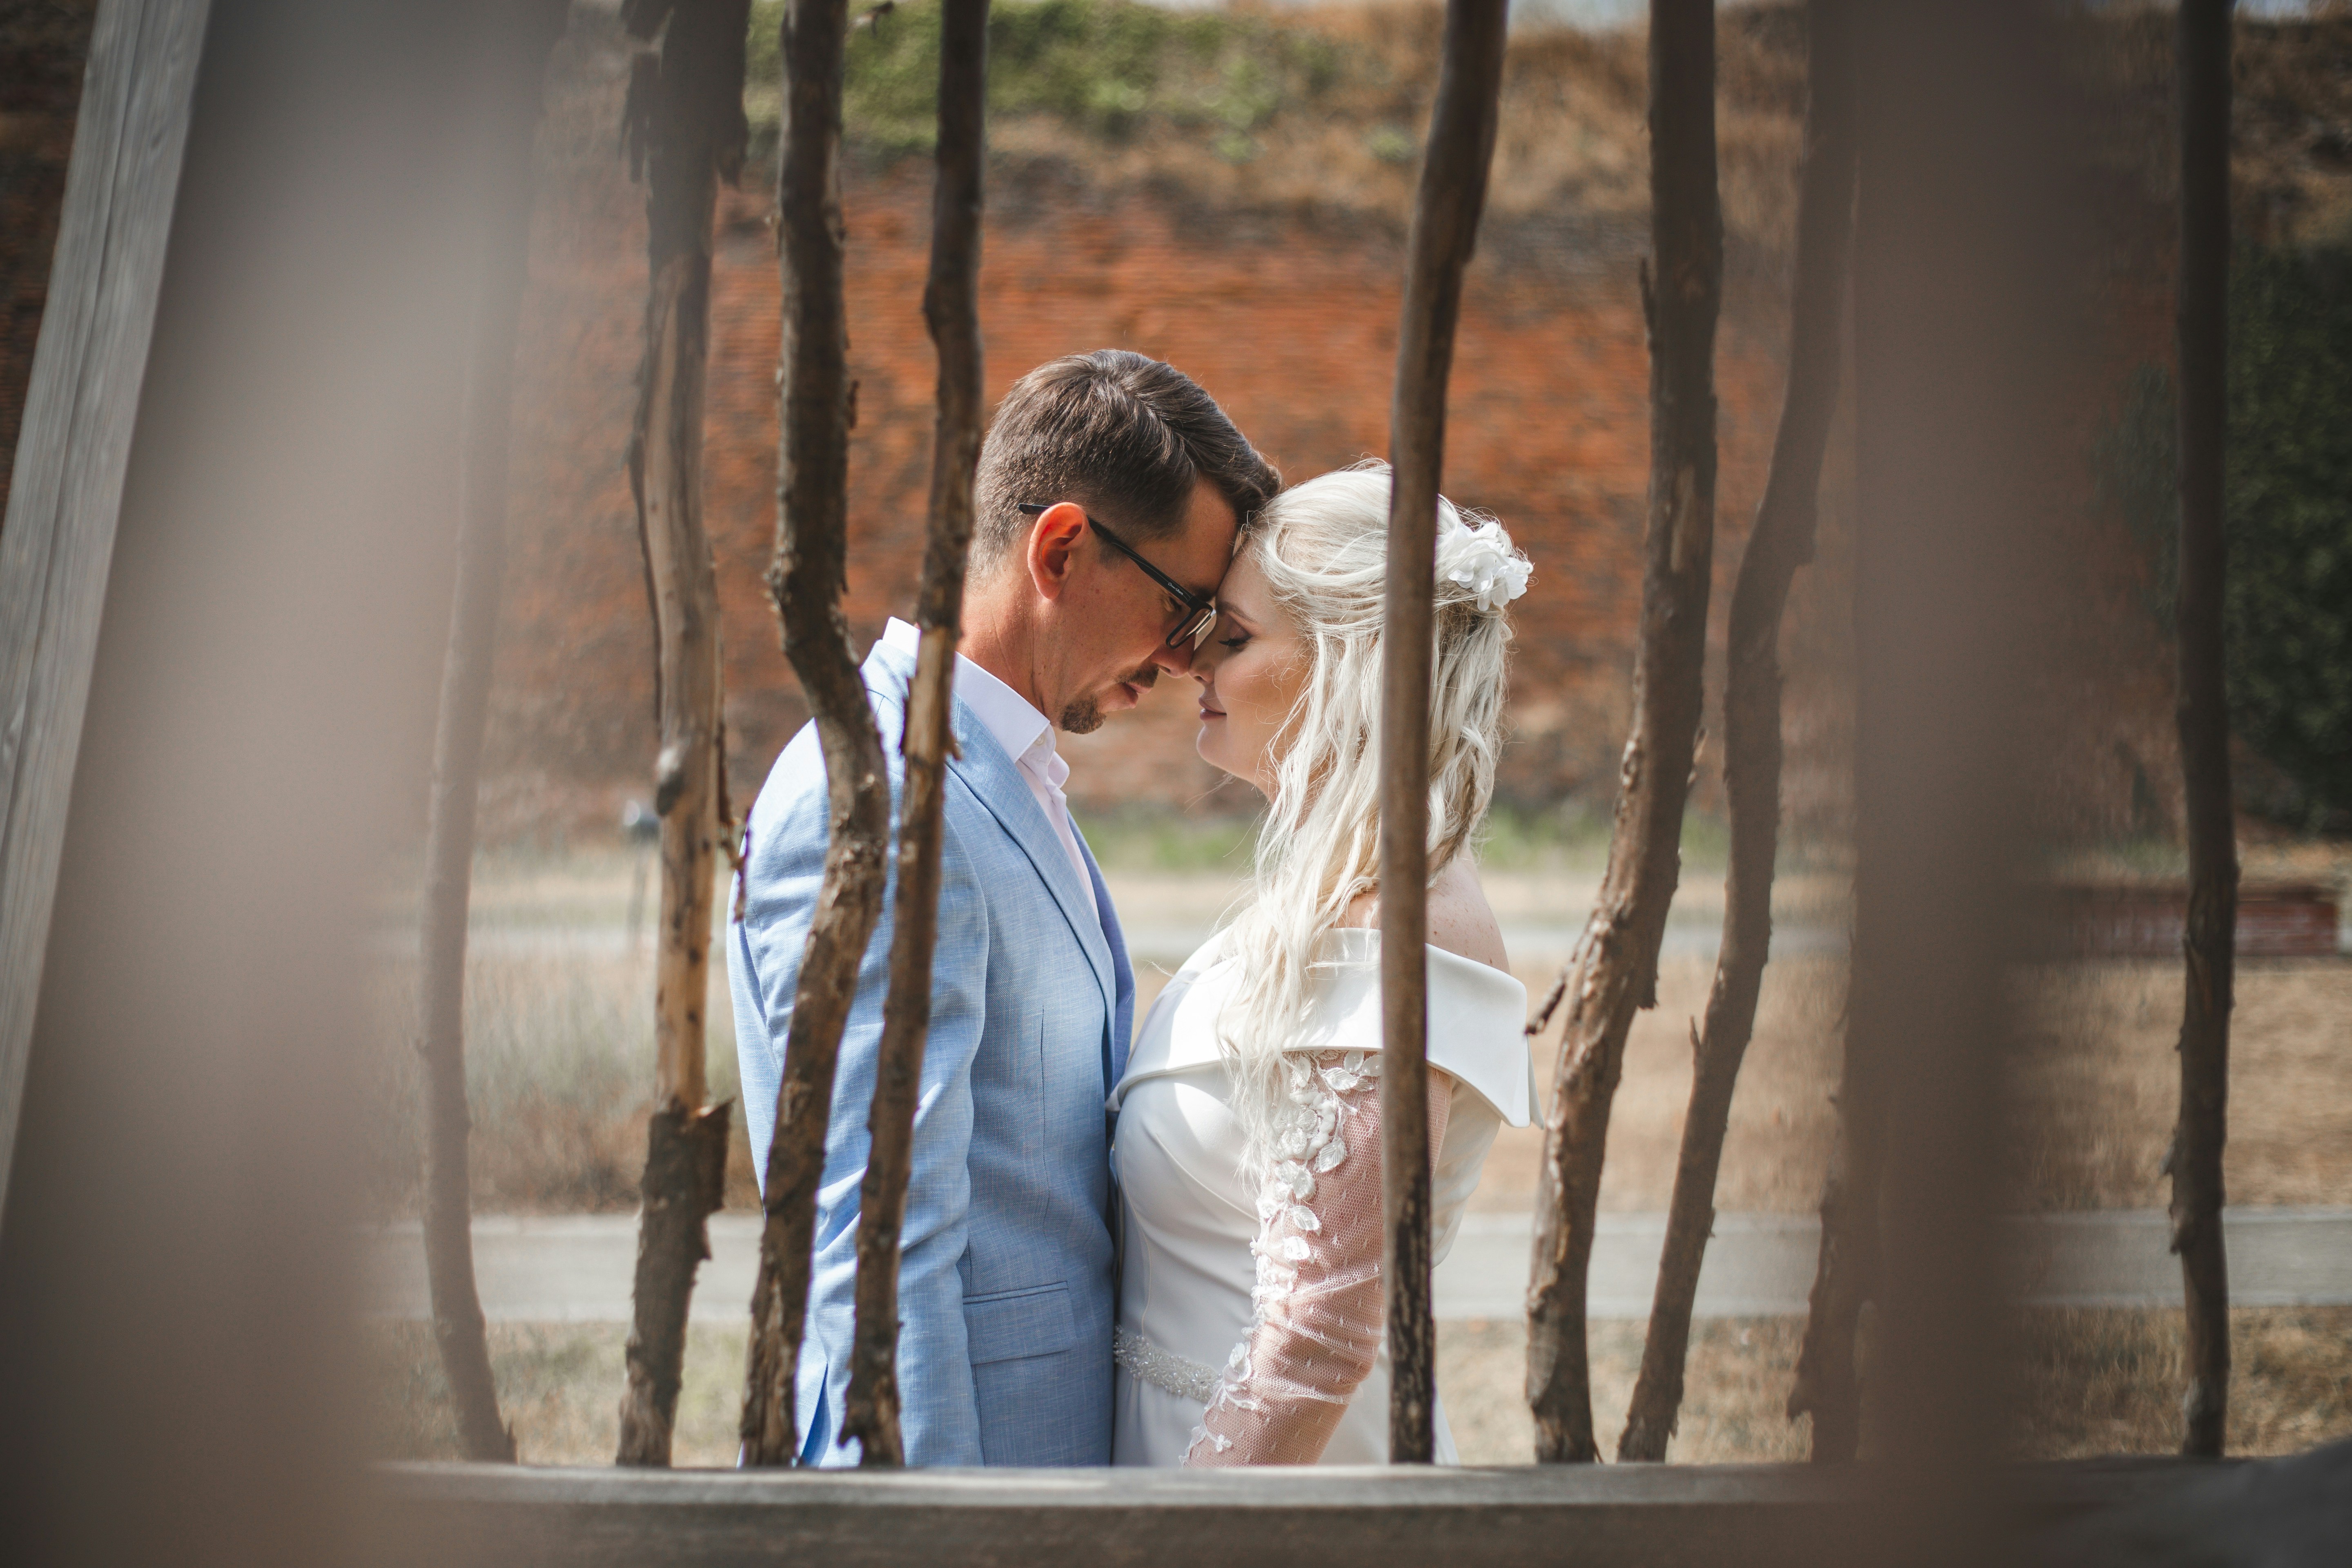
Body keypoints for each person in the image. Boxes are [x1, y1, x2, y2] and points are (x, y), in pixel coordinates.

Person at [729, 350, 1279, 1467]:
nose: (1187, 662)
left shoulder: (999, 768)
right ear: (1062, 549)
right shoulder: (887, 799)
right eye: (1184, 609)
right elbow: (879, 1254)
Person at [1108, 462, 1535, 1466]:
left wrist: (1179, 1538)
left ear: (1354, 661)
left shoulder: (1402, 916)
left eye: (1237, 636)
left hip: (1270, 1502)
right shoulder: (1325, 888)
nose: (1191, 658)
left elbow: (1323, 1330)